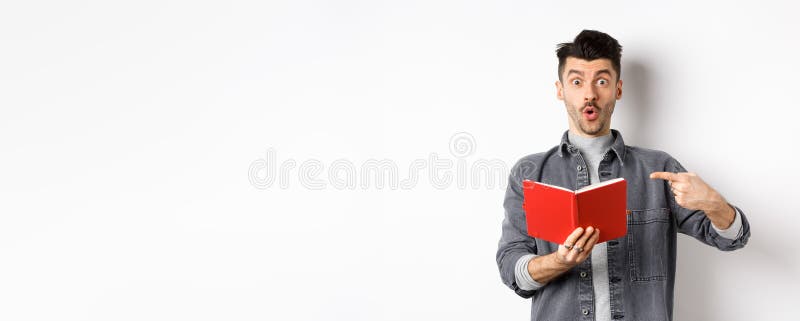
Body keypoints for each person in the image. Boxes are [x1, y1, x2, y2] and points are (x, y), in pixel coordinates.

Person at [495, 30, 751, 321]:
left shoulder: (659, 169)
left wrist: (714, 203)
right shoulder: (530, 174)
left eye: (601, 81)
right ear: (560, 89)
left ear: (618, 89)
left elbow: (732, 239)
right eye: (577, 82)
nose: (590, 93)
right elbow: (511, 268)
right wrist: (559, 261)